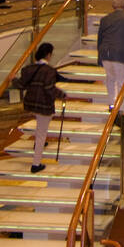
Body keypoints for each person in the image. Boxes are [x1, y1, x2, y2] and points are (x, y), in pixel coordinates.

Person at [14, 42, 76, 173]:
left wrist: (12, 79)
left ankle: (38, 144)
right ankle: (36, 164)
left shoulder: (28, 69)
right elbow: (49, 88)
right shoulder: (49, 71)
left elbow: (20, 85)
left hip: (32, 103)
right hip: (44, 105)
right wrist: (62, 95)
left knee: (40, 126)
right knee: (42, 132)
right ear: (48, 55)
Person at [97, 0, 124, 115]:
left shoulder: (104, 19)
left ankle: (111, 104)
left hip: (105, 53)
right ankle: (120, 108)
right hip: (120, 54)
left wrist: (99, 57)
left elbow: (100, 39)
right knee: (122, 82)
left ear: (113, 7)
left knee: (110, 79)